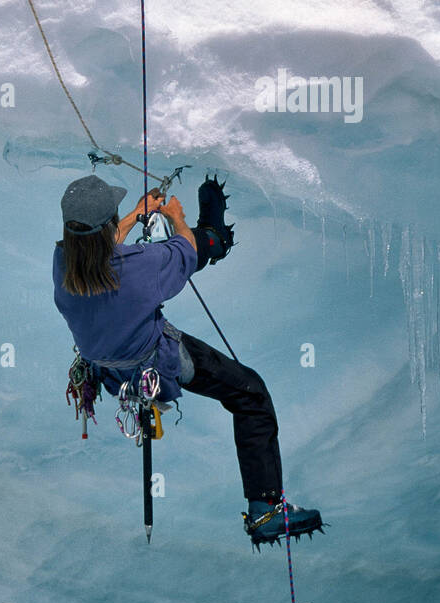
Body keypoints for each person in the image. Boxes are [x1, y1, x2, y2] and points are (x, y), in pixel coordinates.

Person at [52, 172, 323, 547]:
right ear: (108, 225)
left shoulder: (63, 263)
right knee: (250, 394)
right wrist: (178, 218)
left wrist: (134, 215)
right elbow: (187, 251)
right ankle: (266, 510)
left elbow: (95, 247)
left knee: (244, 389)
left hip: (109, 370)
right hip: (154, 363)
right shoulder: (138, 266)